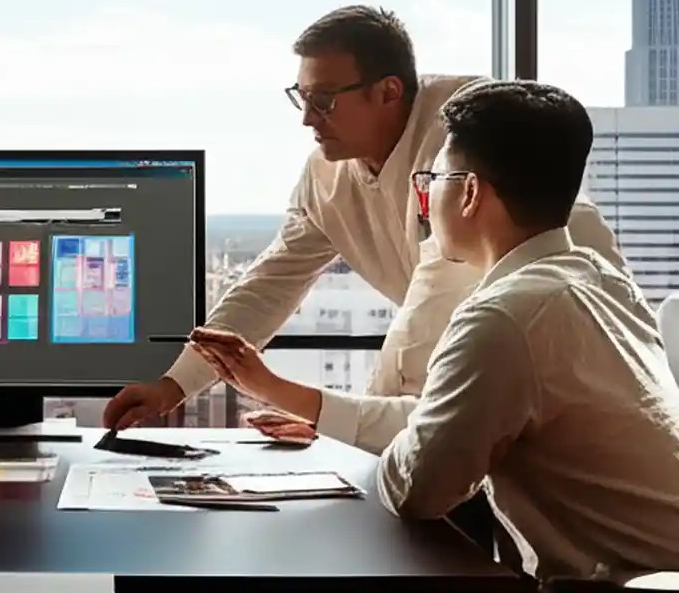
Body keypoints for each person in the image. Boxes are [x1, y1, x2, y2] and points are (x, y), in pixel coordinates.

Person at [190, 80, 679, 583]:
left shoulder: (503, 318)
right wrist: (301, 406)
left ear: (468, 192)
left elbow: (418, 487)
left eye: (433, 179)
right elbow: (453, 423)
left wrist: (383, 448)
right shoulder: (600, 283)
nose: (423, 202)